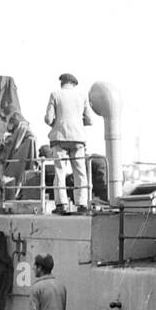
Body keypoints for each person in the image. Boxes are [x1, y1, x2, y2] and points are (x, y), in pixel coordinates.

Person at [45, 73, 92, 215]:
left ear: (62, 83)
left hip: (59, 138)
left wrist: (56, 123)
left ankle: (62, 204)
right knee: (80, 172)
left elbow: (48, 119)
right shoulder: (82, 96)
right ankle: (82, 204)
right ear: (73, 84)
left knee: (60, 172)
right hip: (78, 139)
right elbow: (89, 120)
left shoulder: (55, 94)